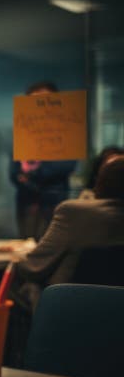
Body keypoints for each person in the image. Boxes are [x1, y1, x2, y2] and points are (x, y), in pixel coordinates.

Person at [12, 155, 124, 313]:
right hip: (117, 318)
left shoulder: (74, 213)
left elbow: (33, 267)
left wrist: (14, 260)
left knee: (16, 283)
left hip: (69, 312)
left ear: (100, 183)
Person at [9, 81, 77, 240]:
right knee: (26, 246)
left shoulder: (65, 132)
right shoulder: (22, 134)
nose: (40, 107)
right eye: (35, 103)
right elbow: (13, 171)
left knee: (52, 245)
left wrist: (31, 176)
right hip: (26, 203)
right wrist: (23, 178)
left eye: (46, 102)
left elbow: (65, 165)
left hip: (54, 203)